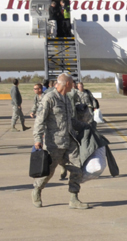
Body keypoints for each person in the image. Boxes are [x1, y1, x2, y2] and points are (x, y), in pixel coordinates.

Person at [33, 73, 88, 209]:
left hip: (70, 140)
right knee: (48, 172)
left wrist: (86, 126)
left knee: (76, 169)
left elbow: (71, 120)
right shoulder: (49, 98)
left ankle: (74, 199)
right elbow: (40, 120)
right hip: (54, 143)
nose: (74, 86)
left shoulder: (66, 99)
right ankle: (37, 190)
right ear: (67, 84)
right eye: (72, 83)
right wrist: (37, 139)